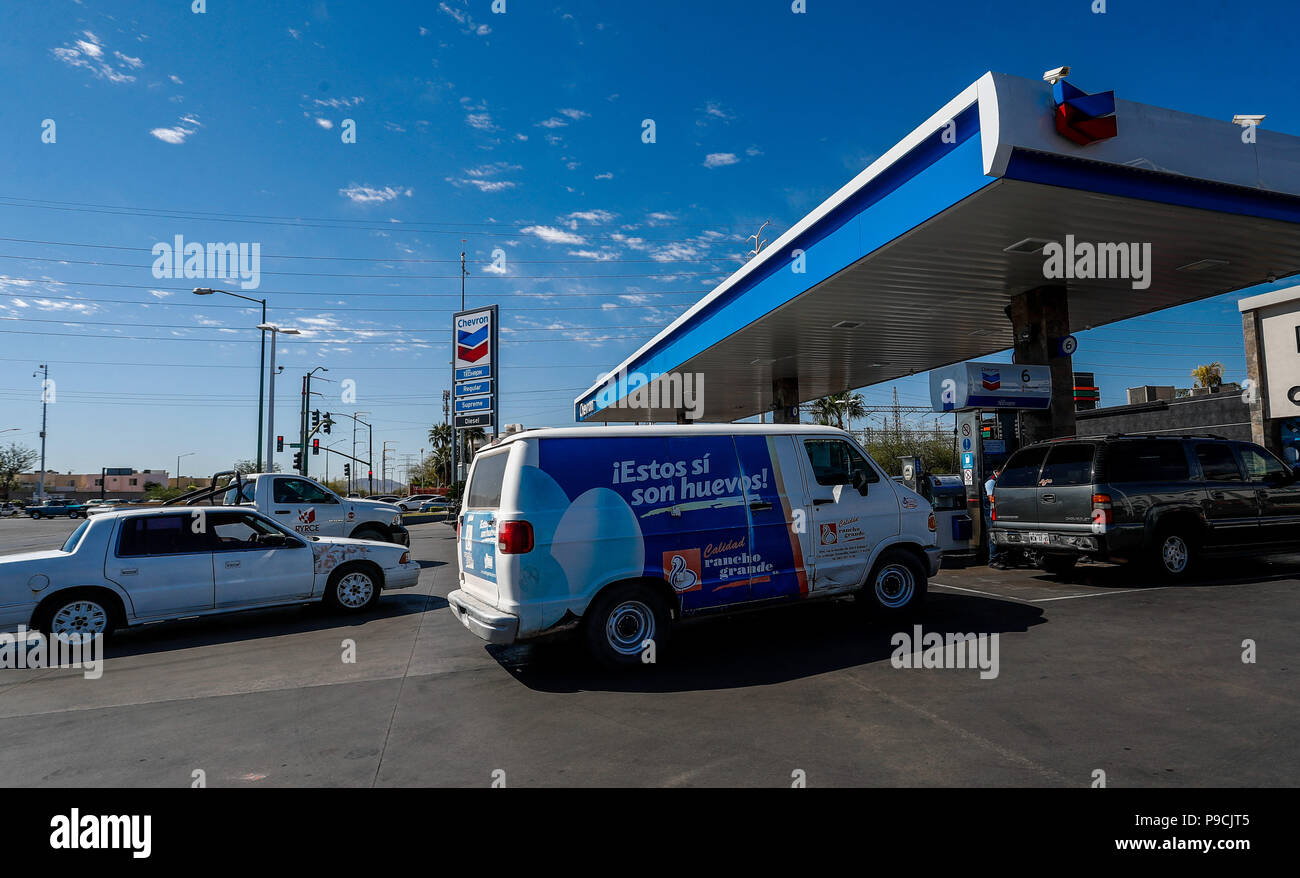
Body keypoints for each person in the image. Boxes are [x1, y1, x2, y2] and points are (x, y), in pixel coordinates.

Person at [983, 468, 1006, 569]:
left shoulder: (998, 480)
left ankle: (1001, 558)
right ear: (997, 471)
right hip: (991, 514)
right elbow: (991, 498)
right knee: (993, 537)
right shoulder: (990, 482)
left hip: (998, 513)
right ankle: (993, 560)